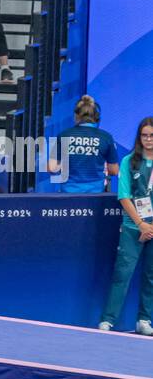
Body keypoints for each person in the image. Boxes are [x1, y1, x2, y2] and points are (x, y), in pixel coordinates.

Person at [99, 118, 153, 334]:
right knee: (122, 274)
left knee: (151, 276)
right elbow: (123, 196)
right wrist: (141, 224)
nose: (149, 139)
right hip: (133, 227)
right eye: (145, 135)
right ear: (139, 138)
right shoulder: (129, 161)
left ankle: (144, 320)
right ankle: (107, 320)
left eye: (152, 135)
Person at [47, 95, 120, 195]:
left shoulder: (64, 135)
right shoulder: (105, 137)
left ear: (76, 116)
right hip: (96, 196)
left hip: (68, 194)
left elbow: (52, 168)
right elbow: (114, 171)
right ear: (97, 117)